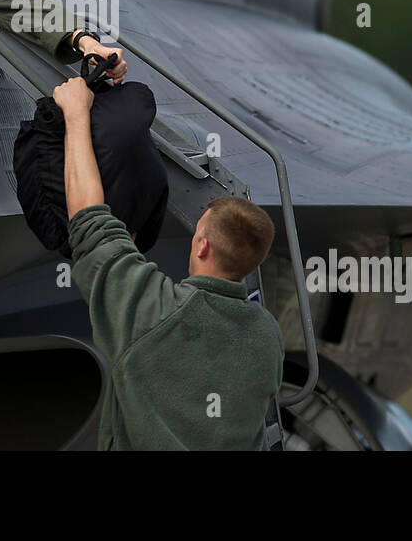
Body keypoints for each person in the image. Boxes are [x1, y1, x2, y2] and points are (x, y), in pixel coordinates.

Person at [53, 75, 286, 450]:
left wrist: (75, 114)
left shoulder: (154, 314)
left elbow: (88, 217)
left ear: (202, 245)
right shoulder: (267, 336)